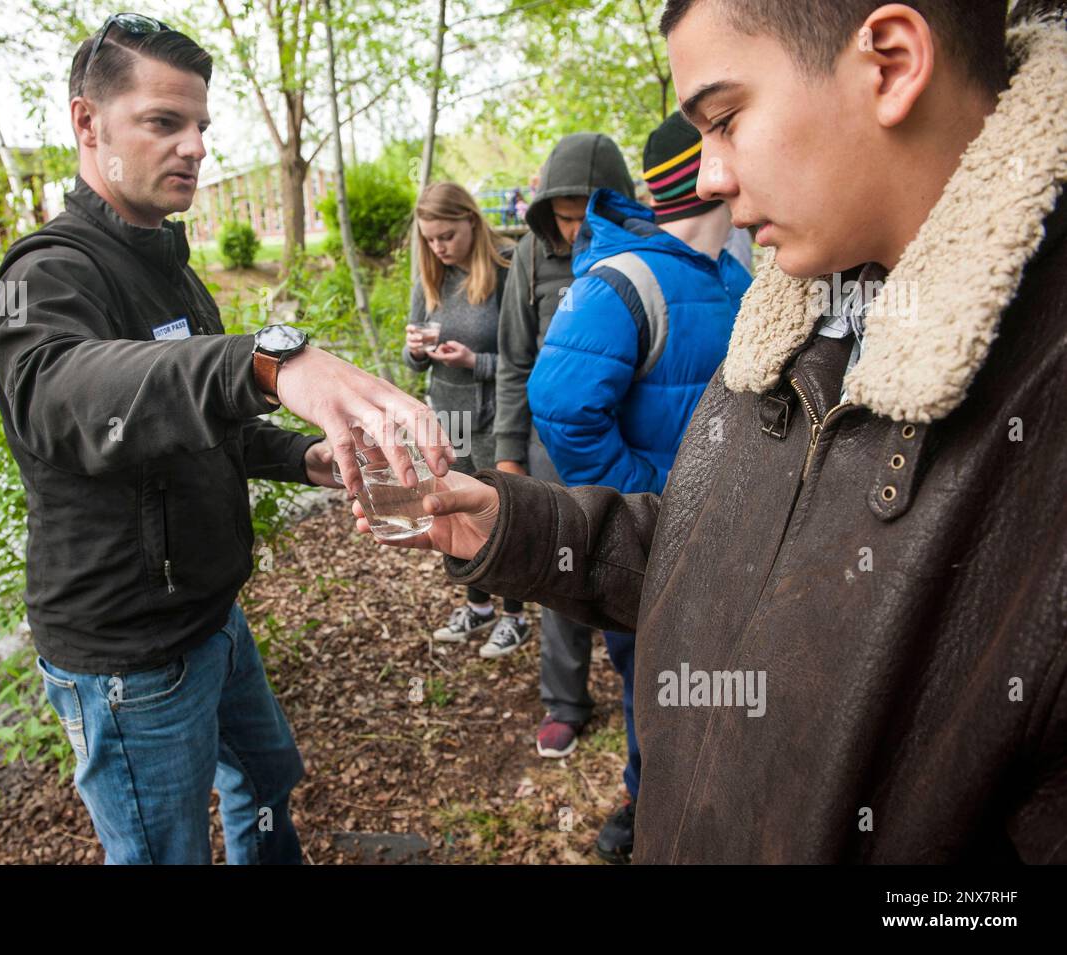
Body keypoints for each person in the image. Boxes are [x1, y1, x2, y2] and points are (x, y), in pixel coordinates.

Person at [353, 1, 1067, 862]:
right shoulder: (798, 311)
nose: (712, 177)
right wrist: (515, 524)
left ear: (891, 62)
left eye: (725, 121)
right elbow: (711, 557)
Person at [0, 15, 453, 865]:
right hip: (128, 653)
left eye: (202, 125)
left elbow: (207, 425)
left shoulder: (171, 266)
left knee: (267, 778)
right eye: (165, 123)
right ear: (88, 124)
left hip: (212, 617)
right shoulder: (44, 274)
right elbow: (65, 398)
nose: (195, 146)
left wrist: (298, 454)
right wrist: (269, 361)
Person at [527, 110, 752, 861]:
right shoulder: (623, 283)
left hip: (735, 552)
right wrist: (661, 504)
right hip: (657, 554)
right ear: (708, 171)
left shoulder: (737, 274)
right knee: (657, 688)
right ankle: (644, 805)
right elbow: (560, 406)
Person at [494, 132, 641, 759]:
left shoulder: (641, 255)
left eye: (590, 212)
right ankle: (565, 701)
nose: (578, 227)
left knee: (638, 562)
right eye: (565, 213)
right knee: (560, 567)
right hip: (551, 452)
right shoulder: (530, 258)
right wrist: (508, 449)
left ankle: (649, 696)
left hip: (632, 448)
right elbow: (512, 359)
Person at [404, 183, 528, 657]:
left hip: (497, 414)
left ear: (472, 221)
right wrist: (416, 352)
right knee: (454, 504)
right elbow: (413, 359)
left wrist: (475, 361)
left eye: (447, 236)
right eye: (430, 239)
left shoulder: (506, 266)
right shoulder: (430, 275)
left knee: (503, 511)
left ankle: (515, 614)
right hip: (448, 413)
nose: (439, 247)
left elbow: (523, 357)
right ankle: (478, 606)